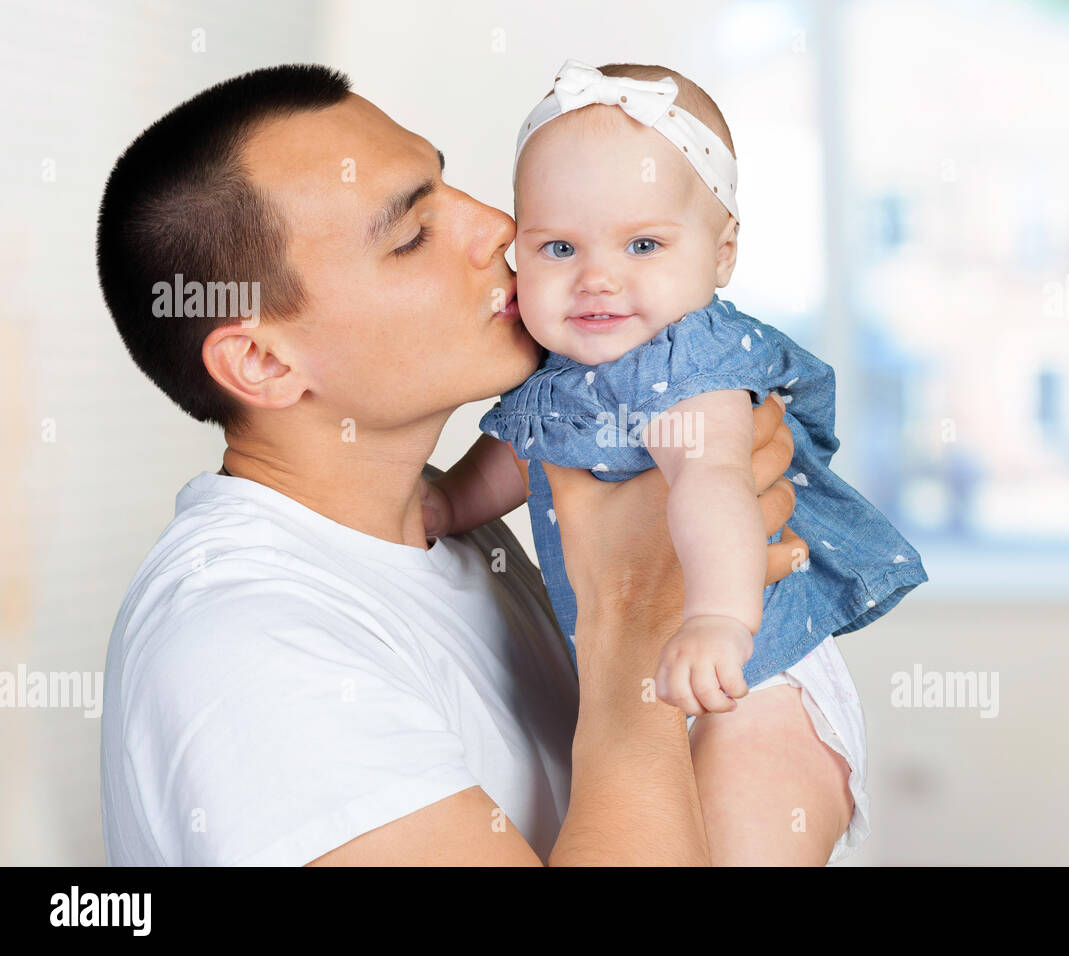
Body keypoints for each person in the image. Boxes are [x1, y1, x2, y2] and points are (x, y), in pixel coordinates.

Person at [95, 63, 822, 865]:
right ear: (264, 363)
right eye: (412, 235)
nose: (498, 227)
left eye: (448, 185)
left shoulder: (459, 526)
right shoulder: (242, 656)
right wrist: (636, 630)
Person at [427, 59, 929, 864]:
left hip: (760, 681)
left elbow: (713, 486)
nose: (597, 277)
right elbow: (518, 456)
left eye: (643, 244)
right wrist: (445, 506)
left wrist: (716, 621)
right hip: (654, 685)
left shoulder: (689, 364)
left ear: (721, 254)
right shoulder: (562, 370)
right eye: (559, 245)